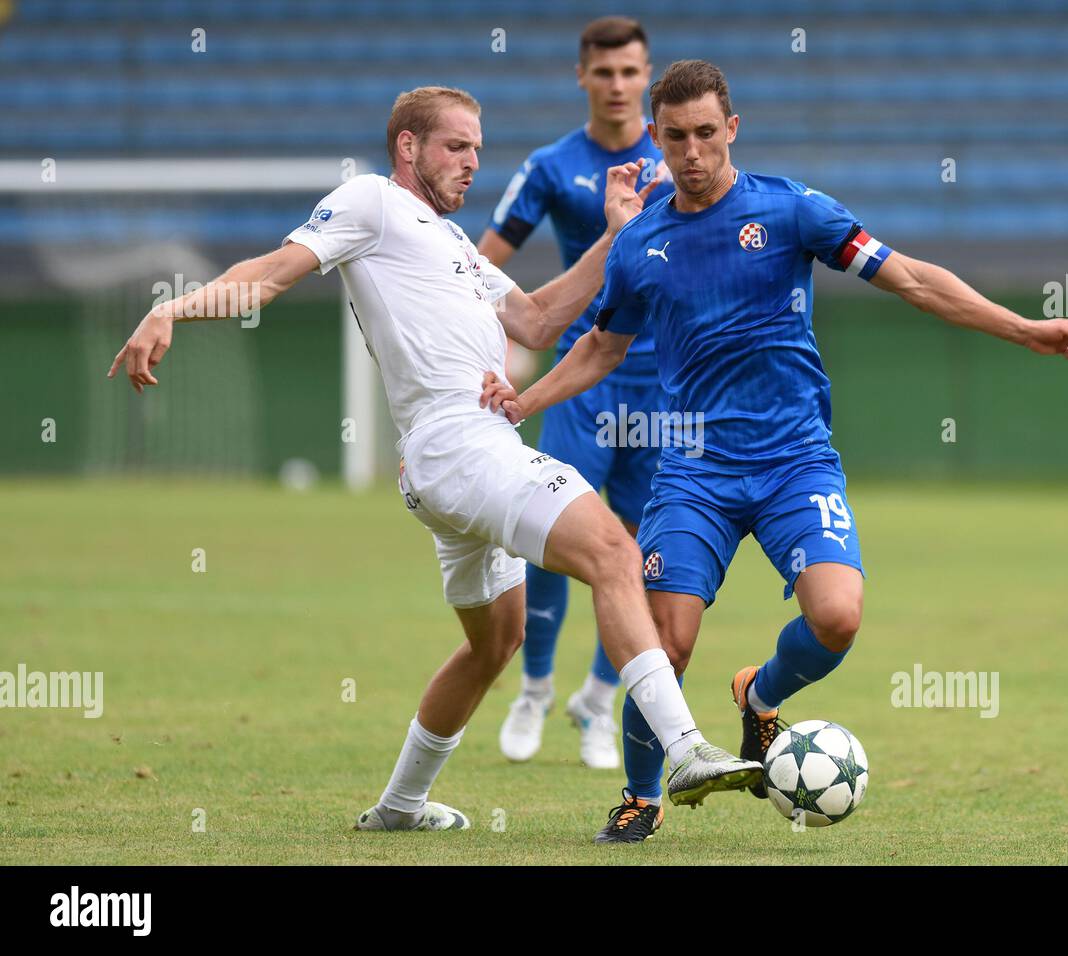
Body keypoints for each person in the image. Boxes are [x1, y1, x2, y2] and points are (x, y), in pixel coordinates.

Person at [108, 85, 760, 836]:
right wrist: (174, 308)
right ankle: (684, 749)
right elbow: (274, 271)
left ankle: (399, 807)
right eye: (458, 147)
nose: (473, 163)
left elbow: (539, 320)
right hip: (460, 446)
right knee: (615, 549)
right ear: (408, 149)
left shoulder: (453, 244)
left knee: (495, 642)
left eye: (479, 149)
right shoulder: (371, 202)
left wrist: (617, 234)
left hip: (452, 457)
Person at [481, 60, 1068, 843]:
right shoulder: (640, 242)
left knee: (837, 618)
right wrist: (525, 400)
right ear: (656, 138)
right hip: (693, 468)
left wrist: (1024, 328)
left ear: (731, 128)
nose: (693, 151)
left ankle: (759, 695)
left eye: (707, 133)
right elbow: (602, 346)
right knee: (663, 646)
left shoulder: (792, 209)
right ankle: (642, 795)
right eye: (676, 137)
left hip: (795, 460)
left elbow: (911, 279)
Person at [478, 16, 672, 770]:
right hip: (583, 374)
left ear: (646, 75)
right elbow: (484, 263)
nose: (619, 86)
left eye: (631, 73)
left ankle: (596, 702)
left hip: (666, 385)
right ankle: (534, 687)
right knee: (557, 539)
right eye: (605, 73)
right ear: (582, 78)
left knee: (640, 551)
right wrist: (498, 353)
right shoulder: (553, 166)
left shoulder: (680, 157)